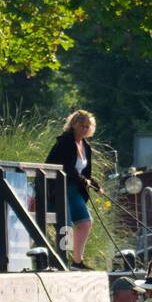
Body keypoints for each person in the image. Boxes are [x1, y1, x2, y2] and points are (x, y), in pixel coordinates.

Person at [44, 109, 99, 269]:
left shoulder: (86, 146)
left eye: (87, 126)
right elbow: (67, 168)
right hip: (58, 187)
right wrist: (84, 180)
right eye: (81, 125)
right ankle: (62, 261)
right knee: (65, 223)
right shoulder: (65, 142)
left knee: (85, 222)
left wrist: (95, 185)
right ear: (73, 125)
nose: (84, 129)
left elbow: (85, 173)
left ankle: (77, 262)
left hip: (74, 189)